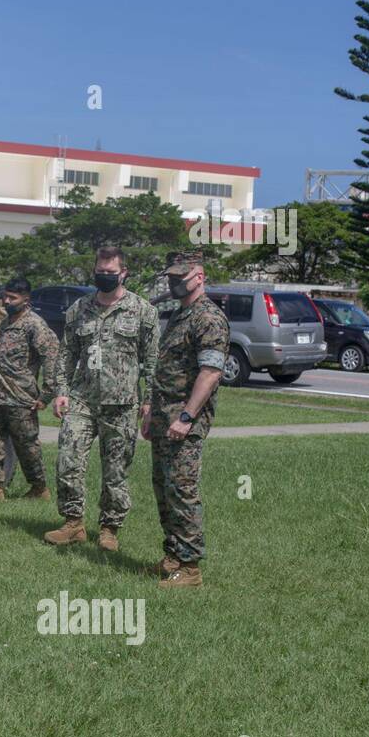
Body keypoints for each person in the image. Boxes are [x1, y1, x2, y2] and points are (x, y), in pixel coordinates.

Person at [45, 246, 158, 552]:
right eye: (100, 271)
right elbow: (66, 354)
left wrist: (148, 401)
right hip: (82, 399)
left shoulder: (143, 311)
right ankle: (72, 523)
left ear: (124, 273)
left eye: (110, 273)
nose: (104, 277)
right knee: (68, 459)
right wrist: (61, 391)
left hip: (121, 404)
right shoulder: (78, 309)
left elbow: (152, 359)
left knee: (116, 470)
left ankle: (109, 528)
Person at [142, 250, 229, 588]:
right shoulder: (180, 315)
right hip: (164, 418)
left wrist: (187, 415)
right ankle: (173, 557)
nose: (175, 281)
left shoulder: (208, 317)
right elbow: (165, 369)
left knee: (182, 489)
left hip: (184, 422)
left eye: (182, 276)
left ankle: (190, 568)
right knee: (164, 490)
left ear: (199, 276)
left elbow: (209, 372)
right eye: (172, 276)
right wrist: (150, 410)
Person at [0, 277, 58, 502]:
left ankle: (39, 488)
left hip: (21, 397)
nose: (6, 301)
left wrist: (47, 395)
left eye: (13, 297)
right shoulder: (6, 322)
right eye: (5, 296)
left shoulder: (34, 324)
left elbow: (50, 357)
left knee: (26, 445)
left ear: (26, 299)